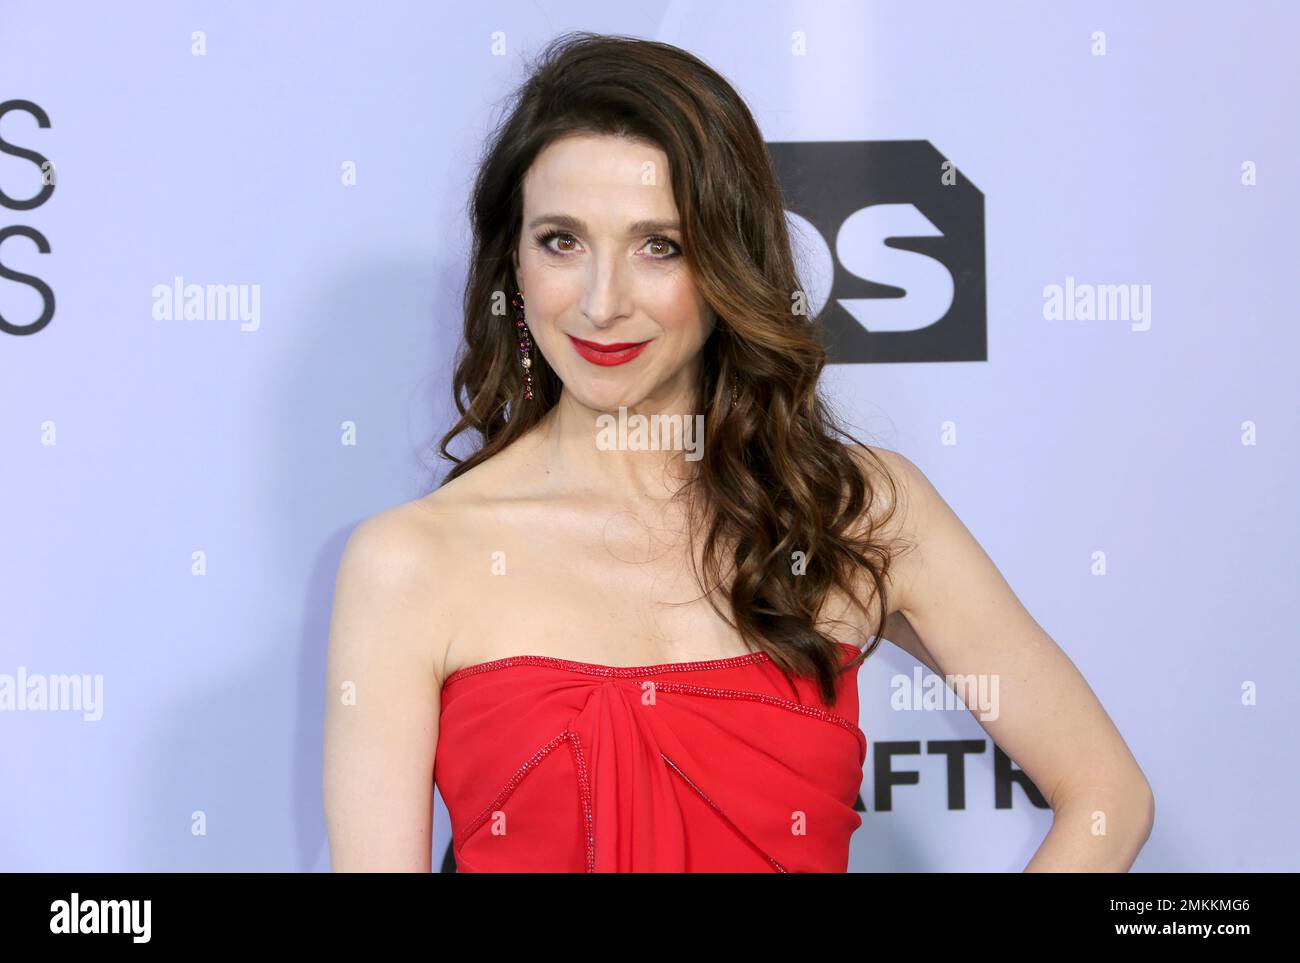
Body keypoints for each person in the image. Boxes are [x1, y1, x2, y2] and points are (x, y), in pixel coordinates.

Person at [323, 31, 1154, 872]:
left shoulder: (856, 510)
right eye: (562, 241)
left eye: (660, 245)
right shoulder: (409, 562)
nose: (603, 302)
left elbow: (1106, 796)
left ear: (728, 261)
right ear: (514, 264)